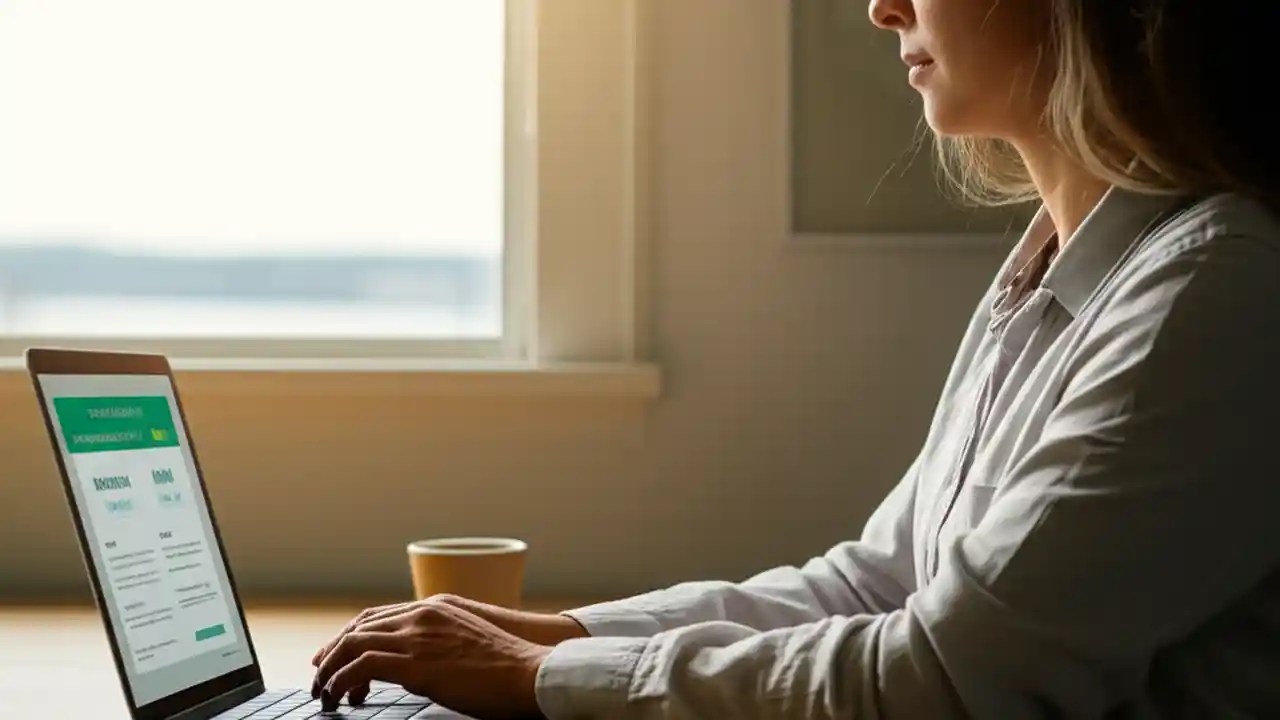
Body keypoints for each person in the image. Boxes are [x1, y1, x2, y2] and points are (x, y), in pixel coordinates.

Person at [310, 0, 1280, 717]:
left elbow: (942, 679)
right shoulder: (1056, 272)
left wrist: (535, 679)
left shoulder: (1212, 290)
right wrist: (563, 635)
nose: (881, 8)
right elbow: (872, 586)